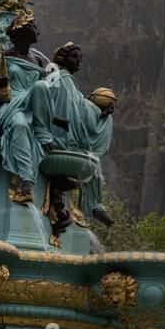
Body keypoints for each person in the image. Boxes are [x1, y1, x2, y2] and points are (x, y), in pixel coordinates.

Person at [0, 17, 54, 204]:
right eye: (33, 27)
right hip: (12, 104)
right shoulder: (4, 57)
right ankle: (27, 181)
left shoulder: (38, 60)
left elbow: (45, 94)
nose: (37, 31)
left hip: (32, 103)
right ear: (22, 32)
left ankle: (41, 130)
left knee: (41, 85)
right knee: (19, 124)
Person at [46, 42, 116, 226]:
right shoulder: (60, 77)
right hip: (60, 136)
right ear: (63, 59)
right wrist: (95, 109)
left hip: (68, 132)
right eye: (74, 57)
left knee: (93, 163)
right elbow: (61, 105)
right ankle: (92, 205)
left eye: (80, 58)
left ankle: (94, 206)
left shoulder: (67, 81)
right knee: (90, 160)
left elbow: (77, 106)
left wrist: (97, 110)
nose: (78, 61)